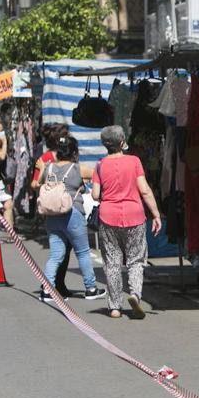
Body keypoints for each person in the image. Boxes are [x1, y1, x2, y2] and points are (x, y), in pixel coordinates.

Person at [92, 126, 162, 319]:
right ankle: (135, 295)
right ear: (122, 141)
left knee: (112, 262)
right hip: (134, 215)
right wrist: (156, 214)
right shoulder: (134, 161)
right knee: (136, 260)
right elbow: (145, 190)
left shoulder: (99, 165)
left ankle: (115, 307)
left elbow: (96, 195)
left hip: (108, 216)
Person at [38, 136, 106, 302]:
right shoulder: (78, 169)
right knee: (82, 252)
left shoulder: (49, 168)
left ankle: (47, 289)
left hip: (52, 216)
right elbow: (99, 174)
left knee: (55, 255)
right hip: (72, 213)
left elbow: (39, 182)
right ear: (74, 152)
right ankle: (90, 288)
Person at [31, 123, 74, 297]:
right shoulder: (46, 159)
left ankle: (59, 283)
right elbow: (34, 184)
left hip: (66, 207)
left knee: (66, 246)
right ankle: (51, 283)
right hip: (56, 208)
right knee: (60, 247)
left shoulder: (67, 156)